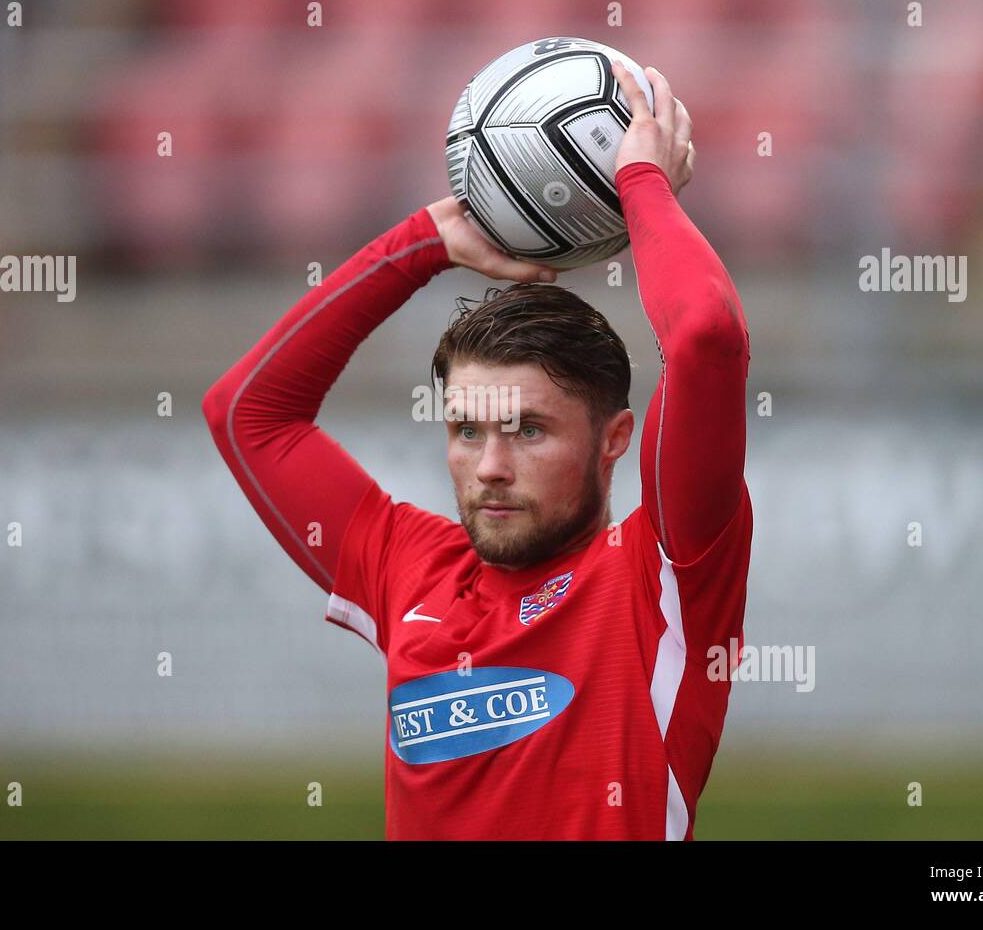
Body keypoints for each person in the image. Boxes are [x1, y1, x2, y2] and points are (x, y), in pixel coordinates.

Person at [203, 61, 751, 839]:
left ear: (613, 440)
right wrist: (422, 244)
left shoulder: (662, 579)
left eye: (528, 430)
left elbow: (705, 337)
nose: (490, 467)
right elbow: (246, 413)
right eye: (467, 430)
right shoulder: (409, 570)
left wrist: (640, 180)